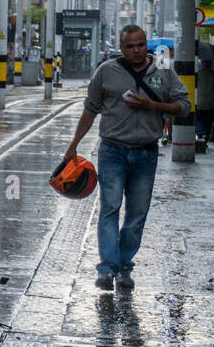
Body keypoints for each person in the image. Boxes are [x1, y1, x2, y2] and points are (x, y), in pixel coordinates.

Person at [61, 24, 189, 291]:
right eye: (130, 46)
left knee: (136, 215)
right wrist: (73, 144)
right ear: (121, 48)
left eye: (141, 44)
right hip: (112, 151)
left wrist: (153, 106)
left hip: (146, 152)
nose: (136, 50)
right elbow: (90, 109)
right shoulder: (107, 71)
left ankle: (124, 265)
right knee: (110, 208)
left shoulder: (163, 68)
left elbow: (184, 106)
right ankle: (107, 268)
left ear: (146, 45)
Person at [195, 58, 214, 142]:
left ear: (202, 63)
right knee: (209, 121)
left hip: (200, 102)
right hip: (211, 103)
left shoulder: (197, 74)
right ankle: (207, 136)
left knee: (199, 120)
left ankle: (200, 136)